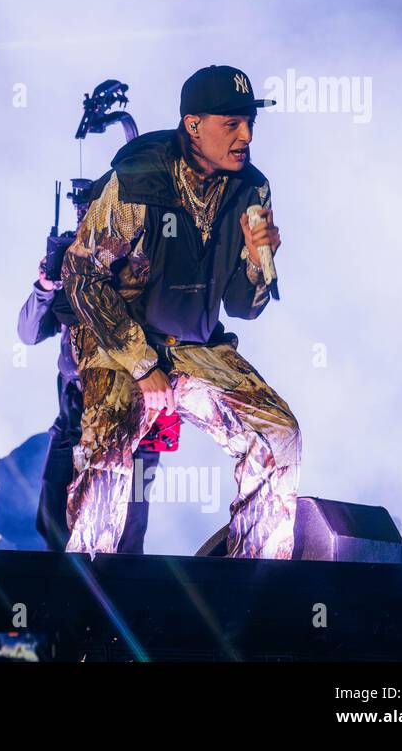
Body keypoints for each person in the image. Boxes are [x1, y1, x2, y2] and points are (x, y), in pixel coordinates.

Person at [62, 64, 301, 559]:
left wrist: (259, 263)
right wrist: (142, 364)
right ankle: (86, 587)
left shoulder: (250, 189)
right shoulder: (140, 177)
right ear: (193, 125)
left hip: (193, 342)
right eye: (231, 123)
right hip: (122, 337)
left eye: (249, 122)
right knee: (110, 446)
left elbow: (242, 307)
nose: (246, 135)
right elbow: (83, 275)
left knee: (278, 435)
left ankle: (255, 585)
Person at [17, 244, 159, 553]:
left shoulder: (143, 264)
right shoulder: (76, 270)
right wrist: (47, 285)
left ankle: (117, 599)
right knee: (55, 525)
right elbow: (28, 333)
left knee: (126, 536)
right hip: (73, 427)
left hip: (133, 431)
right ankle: (62, 596)